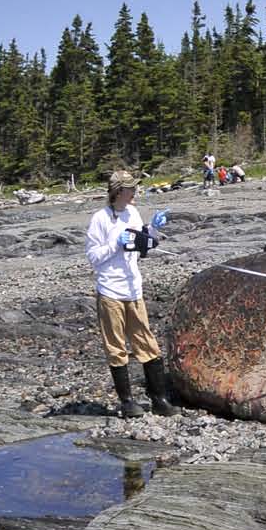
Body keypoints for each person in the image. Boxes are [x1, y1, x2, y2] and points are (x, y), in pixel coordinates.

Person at [85, 170, 178, 420]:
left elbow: (142, 246)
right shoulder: (100, 219)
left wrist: (153, 231)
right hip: (110, 291)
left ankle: (159, 400)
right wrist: (116, 243)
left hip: (133, 289)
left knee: (147, 343)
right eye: (130, 188)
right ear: (117, 191)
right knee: (116, 347)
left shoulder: (133, 213)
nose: (134, 191)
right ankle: (128, 403)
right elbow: (93, 257)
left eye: (135, 187)